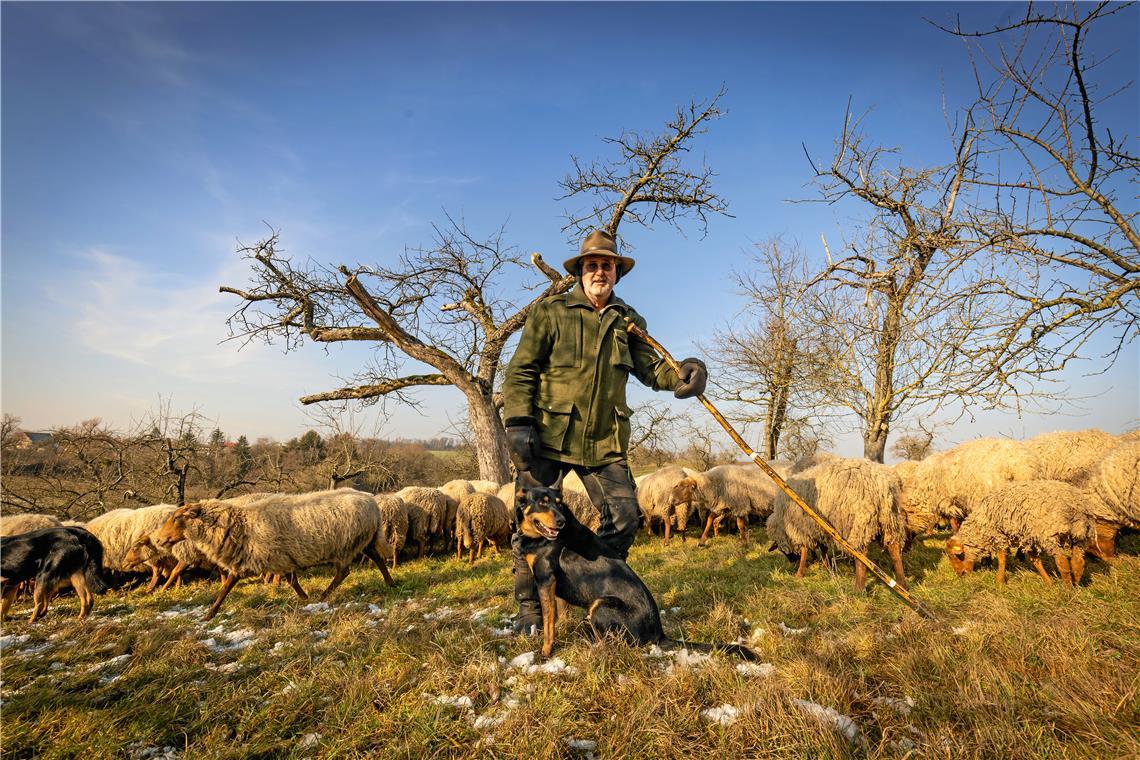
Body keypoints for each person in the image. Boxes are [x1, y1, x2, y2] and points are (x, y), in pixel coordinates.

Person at [501, 229, 708, 633]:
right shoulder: (551, 313)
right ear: (580, 271)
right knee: (529, 521)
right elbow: (521, 369)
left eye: (607, 265)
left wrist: (687, 373)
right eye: (592, 265)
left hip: (604, 440)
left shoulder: (629, 322)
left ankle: (595, 587)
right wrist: (519, 422)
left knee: (626, 515)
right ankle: (530, 609)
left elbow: (655, 369)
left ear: (617, 272)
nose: (600, 271)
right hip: (547, 436)